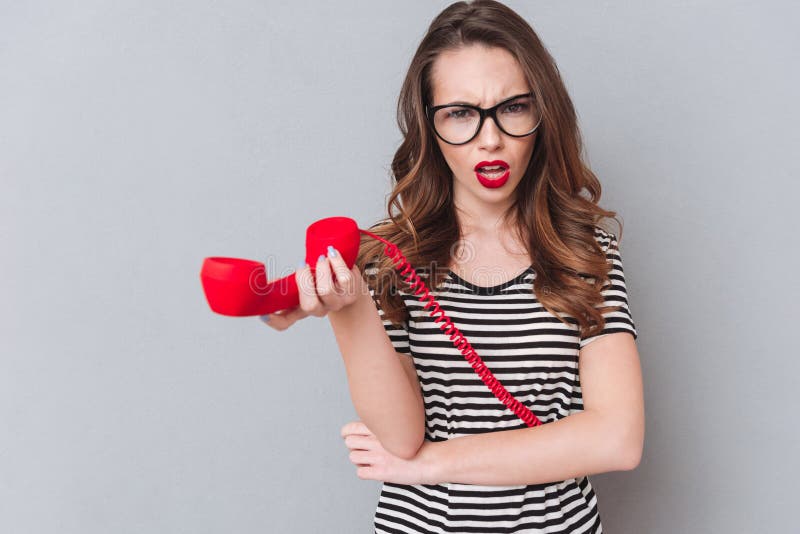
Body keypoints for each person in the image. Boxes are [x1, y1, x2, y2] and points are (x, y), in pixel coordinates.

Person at [260, 1, 644, 532]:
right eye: (460, 113)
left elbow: (617, 439)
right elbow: (400, 437)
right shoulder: (392, 258)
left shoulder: (585, 251)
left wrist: (434, 463)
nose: (490, 138)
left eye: (512, 107)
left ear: (543, 113)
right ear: (429, 126)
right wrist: (347, 309)